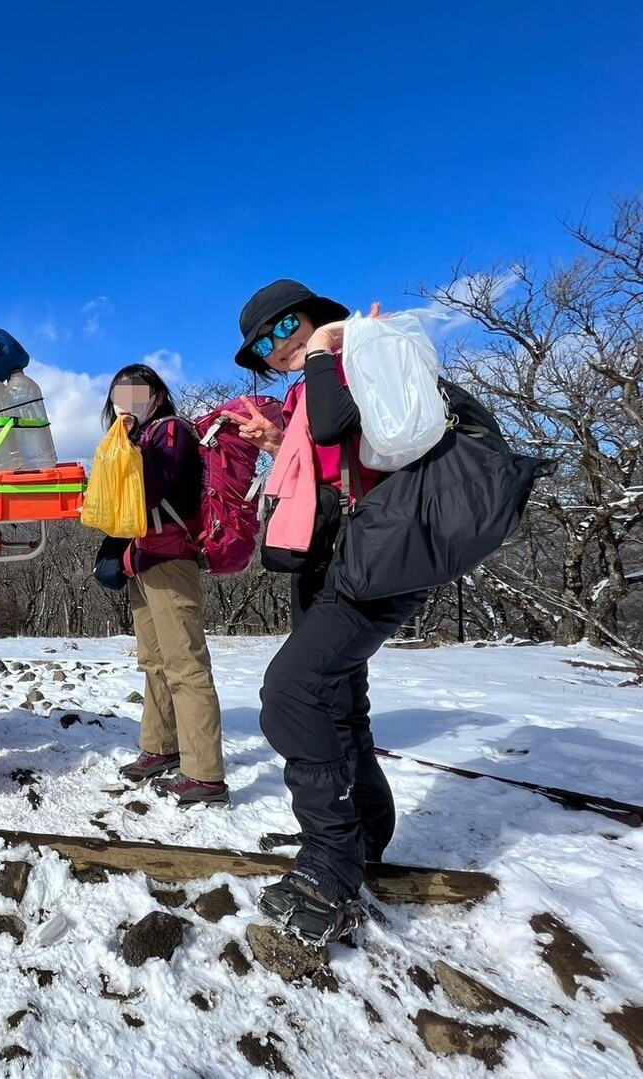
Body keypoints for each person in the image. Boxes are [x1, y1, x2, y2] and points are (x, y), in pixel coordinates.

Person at [226, 279, 430, 944]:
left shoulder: (342, 356)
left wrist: (322, 349)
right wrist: (275, 437)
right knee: (338, 701)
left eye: (286, 326)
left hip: (367, 557)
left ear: (317, 315)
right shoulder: (307, 381)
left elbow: (341, 421)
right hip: (325, 559)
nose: (275, 346)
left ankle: (330, 864)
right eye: (262, 343)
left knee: (290, 692)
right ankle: (364, 834)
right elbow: (330, 448)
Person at [102, 366, 229, 806]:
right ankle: (160, 747)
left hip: (172, 560)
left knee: (186, 666)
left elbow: (149, 490)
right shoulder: (141, 437)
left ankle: (205, 773)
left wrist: (127, 441)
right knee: (155, 661)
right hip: (145, 560)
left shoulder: (170, 431)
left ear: (156, 395)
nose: (126, 401)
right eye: (120, 395)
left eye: (135, 393)